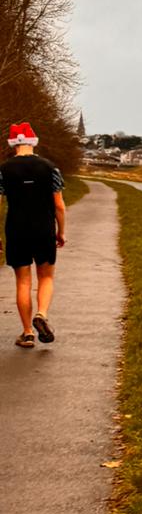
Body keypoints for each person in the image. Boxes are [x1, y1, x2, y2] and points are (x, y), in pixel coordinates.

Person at [0, 122, 65, 347]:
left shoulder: (4, 170)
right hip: (44, 228)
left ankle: (27, 333)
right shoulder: (50, 168)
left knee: (23, 282)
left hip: (16, 229)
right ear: (33, 141)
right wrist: (61, 232)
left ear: (13, 144)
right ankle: (42, 314)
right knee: (46, 277)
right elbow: (59, 205)